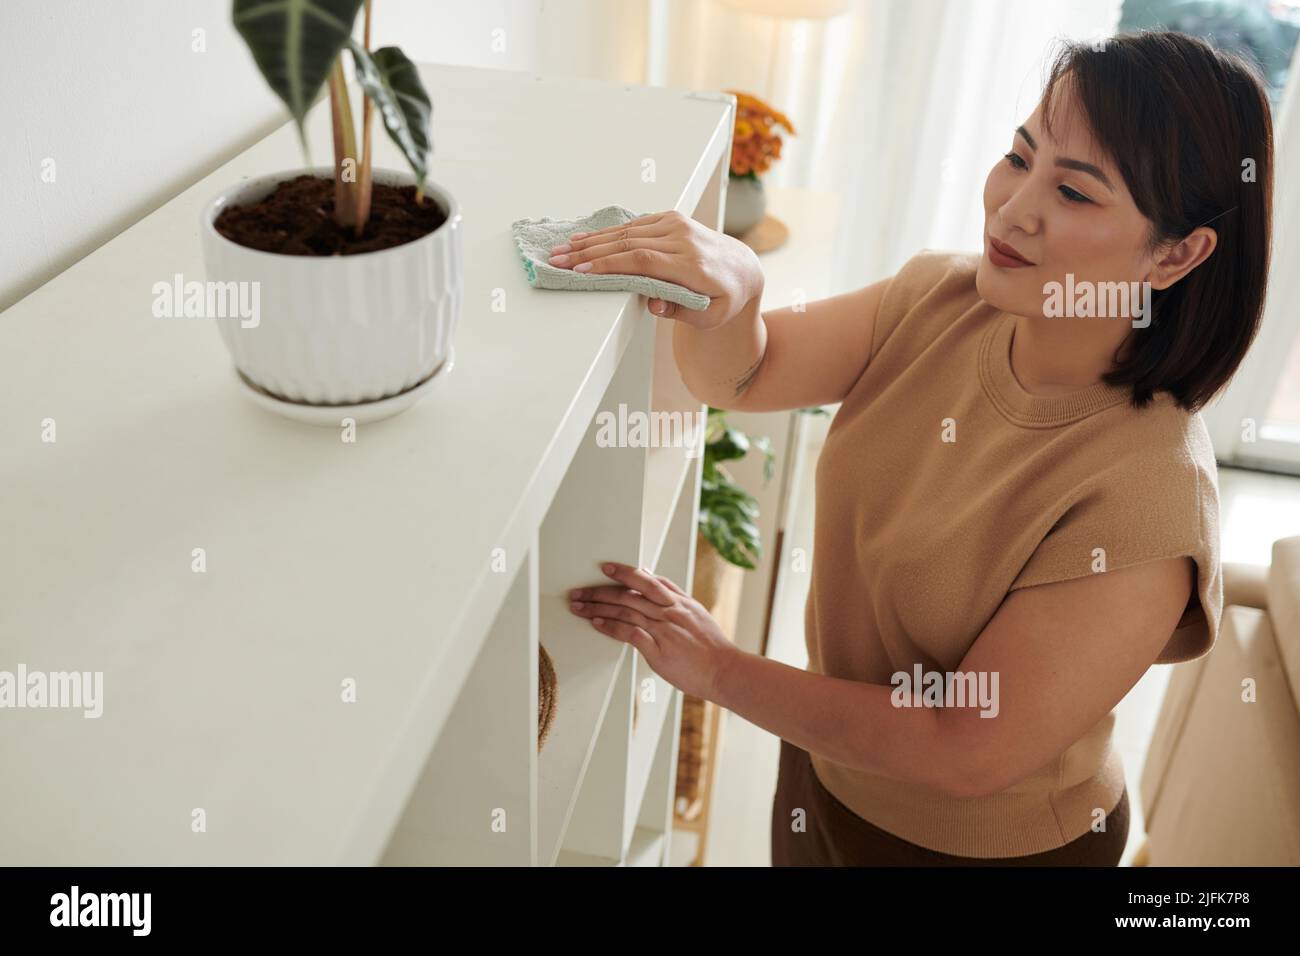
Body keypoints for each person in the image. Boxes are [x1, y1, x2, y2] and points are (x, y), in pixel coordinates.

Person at [556, 30, 1272, 865]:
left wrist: (719, 671)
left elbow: (964, 745)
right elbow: (746, 377)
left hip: (986, 850)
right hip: (831, 765)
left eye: (1075, 194)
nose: (1012, 207)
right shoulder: (943, 296)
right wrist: (734, 297)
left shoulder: (1149, 500)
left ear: (1177, 253)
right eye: (1019, 156)